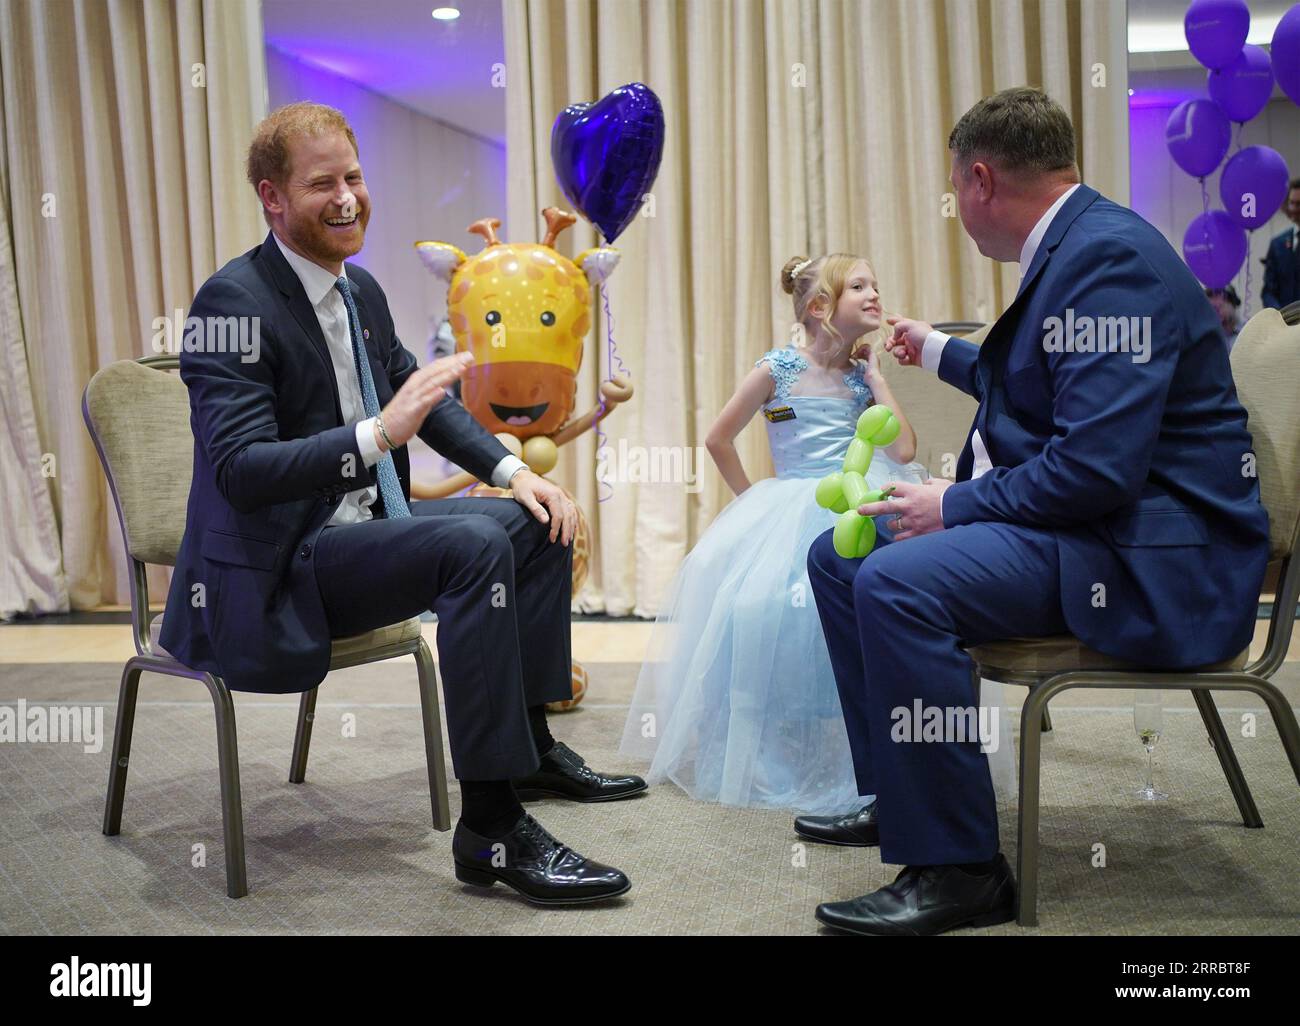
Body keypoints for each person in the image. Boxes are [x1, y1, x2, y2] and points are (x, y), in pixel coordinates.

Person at [806, 87, 1270, 936]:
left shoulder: (1109, 262)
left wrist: (956, 502)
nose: (958, 211)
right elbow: (1045, 392)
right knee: (838, 559)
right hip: (1105, 526)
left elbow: (1096, 469)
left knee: (899, 581)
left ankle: (960, 869)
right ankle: (907, 797)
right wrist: (944, 352)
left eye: (954, 191)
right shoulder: (1080, 243)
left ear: (980, 179)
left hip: (1151, 552)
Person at [161, 101, 645, 907]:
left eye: (353, 176)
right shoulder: (230, 304)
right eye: (323, 183)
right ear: (271, 197)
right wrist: (377, 435)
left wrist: (509, 469)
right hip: (285, 562)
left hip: (362, 532)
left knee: (536, 519)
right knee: (473, 548)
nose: (348, 197)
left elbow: (429, 403)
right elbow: (243, 469)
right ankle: (490, 829)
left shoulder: (363, 291)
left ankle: (528, 748)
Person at [620, 254, 934, 814]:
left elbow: (904, 451)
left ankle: (864, 754)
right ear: (819, 307)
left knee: (869, 605)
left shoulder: (862, 377)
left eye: (876, 284)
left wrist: (879, 381)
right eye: (859, 286)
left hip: (859, 503)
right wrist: (755, 502)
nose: (874, 294)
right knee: (769, 610)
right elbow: (720, 438)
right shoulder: (778, 369)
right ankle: (773, 752)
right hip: (794, 500)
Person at [1261, 178, 1300, 311]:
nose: (1294, 209)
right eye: (1291, 203)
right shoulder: (1277, 244)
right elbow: (1268, 291)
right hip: (1285, 325)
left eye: (1299, 204)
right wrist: (1279, 315)